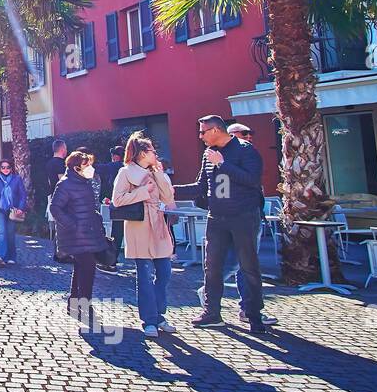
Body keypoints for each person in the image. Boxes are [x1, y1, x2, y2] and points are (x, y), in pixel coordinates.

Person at [175, 114, 269, 334]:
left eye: (203, 132)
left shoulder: (245, 150)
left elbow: (252, 180)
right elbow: (200, 187)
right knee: (212, 267)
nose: (200, 137)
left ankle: (254, 316)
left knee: (249, 267)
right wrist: (168, 189)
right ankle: (212, 313)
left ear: (216, 130)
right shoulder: (208, 156)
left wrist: (224, 164)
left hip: (244, 216)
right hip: (216, 217)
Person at [112, 134, 177, 337]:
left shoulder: (156, 172)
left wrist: (159, 175)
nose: (155, 154)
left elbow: (168, 197)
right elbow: (117, 200)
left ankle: (159, 314)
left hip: (158, 225)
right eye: (151, 151)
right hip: (139, 227)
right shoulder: (125, 172)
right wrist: (143, 191)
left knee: (165, 272)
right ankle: (149, 319)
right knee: (144, 275)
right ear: (142, 153)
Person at [226, 122, 279, 326]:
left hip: (251, 216)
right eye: (244, 134)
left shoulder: (247, 157)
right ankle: (248, 308)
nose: (249, 137)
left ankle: (246, 308)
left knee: (241, 264)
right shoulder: (226, 159)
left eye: (250, 133)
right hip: (238, 218)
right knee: (244, 265)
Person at [50, 151, 109, 326]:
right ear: (77, 167)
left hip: (87, 233)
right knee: (88, 266)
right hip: (75, 234)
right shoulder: (65, 185)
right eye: (86, 165)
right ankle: (84, 304)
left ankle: (74, 301)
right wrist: (73, 225)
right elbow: (55, 208)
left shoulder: (85, 183)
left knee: (82, 266)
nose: (90, 168)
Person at [0, 158, 26, 265]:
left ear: (11, 168)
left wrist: (21, 208)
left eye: (8, 167)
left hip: (13, 210)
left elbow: (22, 195)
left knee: (10, 233)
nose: (5, 169)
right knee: (2, 232)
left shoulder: (17, 179)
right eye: (3, 167)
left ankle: (11, 256)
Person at [96, 145, 126, 272]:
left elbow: (99, 168)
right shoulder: (128, 166)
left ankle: (111, 261)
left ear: (115, 156)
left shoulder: (116, 166)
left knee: (117, 233)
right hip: (131, 205)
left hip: (120, 206)